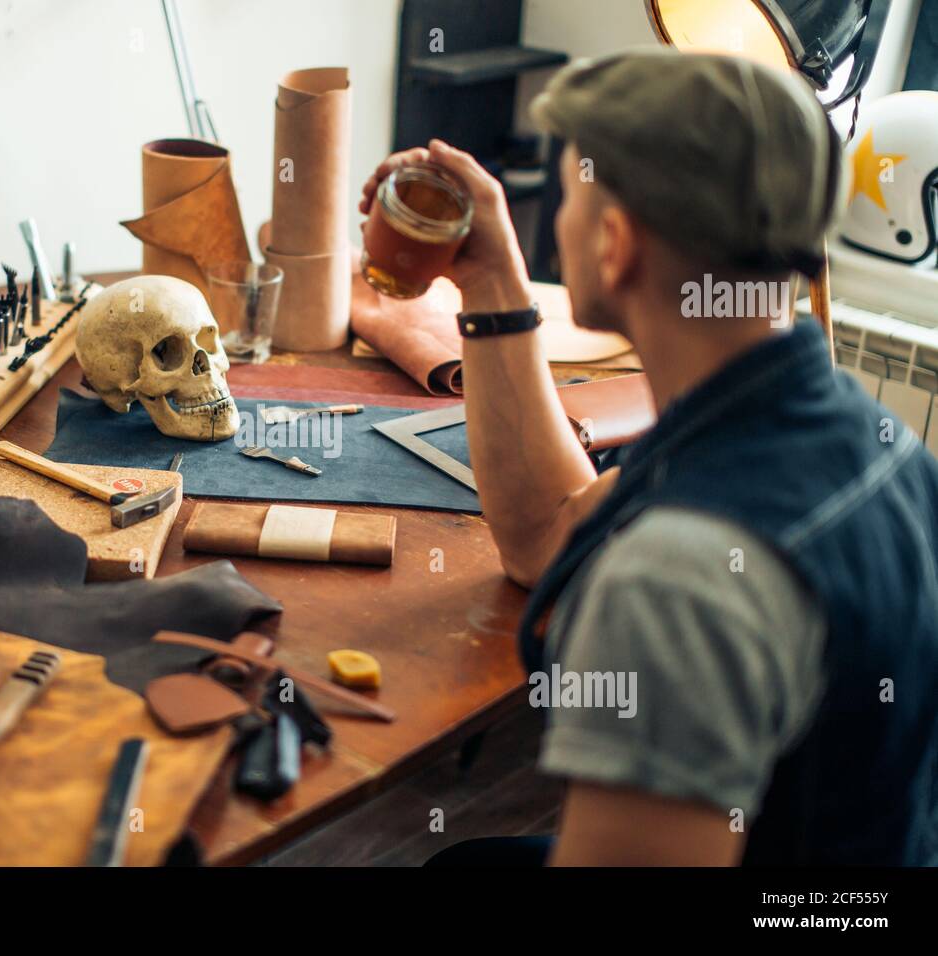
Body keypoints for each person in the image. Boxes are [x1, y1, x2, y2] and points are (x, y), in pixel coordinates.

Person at [360, 50, 938, 865]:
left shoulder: (680, 579)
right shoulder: (880, 448)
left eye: (569, 196)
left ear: (615, 243)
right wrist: (491, 278)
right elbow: (545, 536)